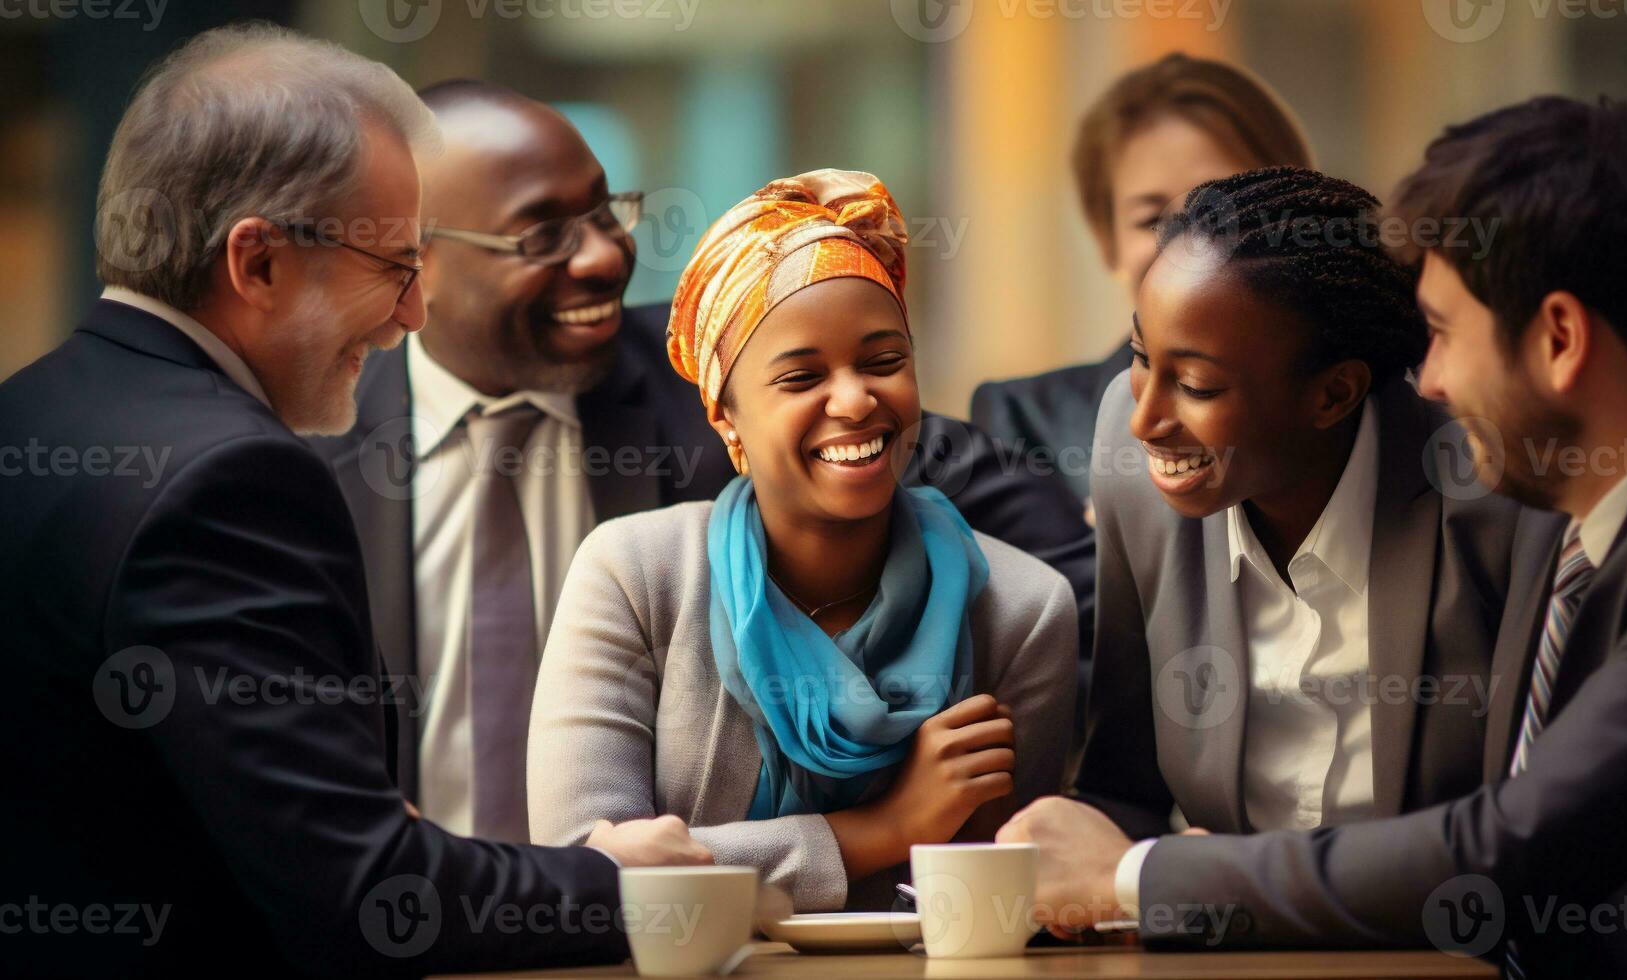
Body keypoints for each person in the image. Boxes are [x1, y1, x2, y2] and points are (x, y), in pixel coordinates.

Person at [0, 25, 708, 977]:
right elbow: (374, 891)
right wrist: (610, 880)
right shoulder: (229, 480)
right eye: (394, 267)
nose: (411, 316)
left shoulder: (28, 411)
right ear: (257, 263)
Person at [999, 97, 1627, 978]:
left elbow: (1507, 846)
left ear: (1557, 338)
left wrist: (1136, 876)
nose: (1424, 381)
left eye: (1438, 334)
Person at [306, 84, 1096, 833]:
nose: (605, 257)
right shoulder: (312, 453)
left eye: (607, 210)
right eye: (544, 234)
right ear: (417, 258)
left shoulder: (725, 372)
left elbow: (978, 501)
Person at [526, 170, 1078, 913]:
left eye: (884, 362)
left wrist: (695, 860)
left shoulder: (1021, 609)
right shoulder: (634, 576)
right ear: (726, 419)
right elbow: (585, 878)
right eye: (799, 378)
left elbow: (1017, 899)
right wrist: (883, 830)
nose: (854, 400)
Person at [972, 53, 1313, 509]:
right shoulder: (1027, 422)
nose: (1183, 240)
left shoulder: (1374, 399)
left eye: (1217, 209)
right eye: (1151, 217)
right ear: (1105, 239)